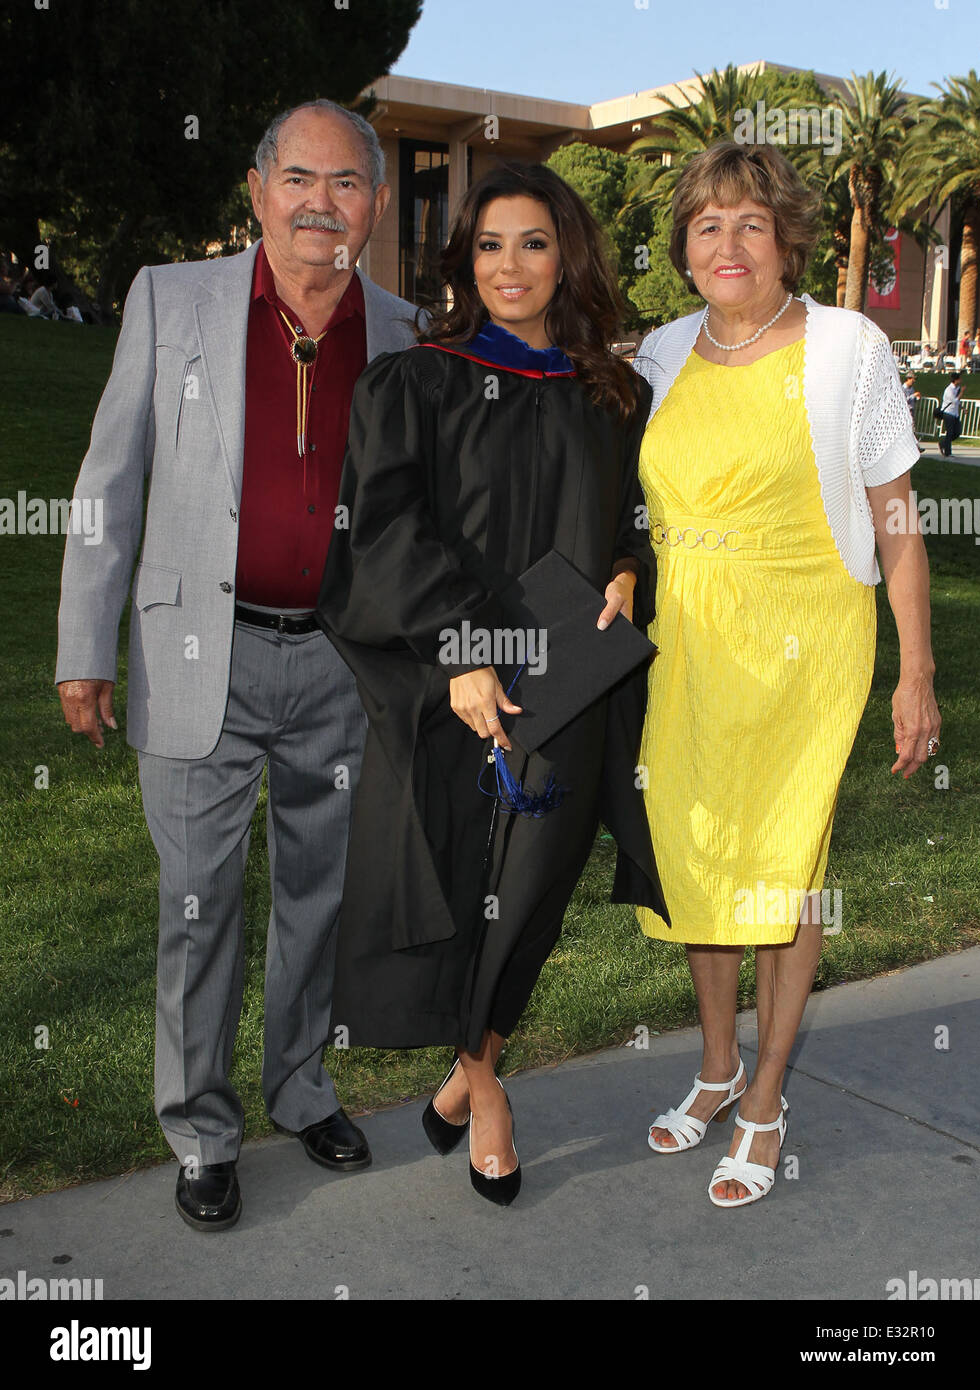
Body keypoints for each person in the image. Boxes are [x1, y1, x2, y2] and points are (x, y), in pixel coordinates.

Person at [55, 99, 422, 1231]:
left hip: (340, 668)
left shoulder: (403, 330)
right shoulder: (174, 300)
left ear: (373, 204)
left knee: (319, 896)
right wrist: (85, 642)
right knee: (198, 905)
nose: (322, 202)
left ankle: (302, 1087)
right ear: (259, 191)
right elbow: (109, 481)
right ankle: (202, 1129)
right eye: (300, 179)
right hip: (193, 657)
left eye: (347, 182)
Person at [316, 162, 666, 1207]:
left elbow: (625, 521)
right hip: (450, 681)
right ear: (464, 261)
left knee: (531, 892)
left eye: (534, 243)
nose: (510, 266)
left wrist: (627, 567)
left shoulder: (609, 391)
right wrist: (461, 650)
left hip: (565, 674)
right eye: (489, 245)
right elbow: (382, 528)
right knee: (454, 882)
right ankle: (489, 1091)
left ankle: (464, 1078)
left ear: (568, 257)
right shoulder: (416, 380)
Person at [632, 141, 941, 1208]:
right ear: (683, 247)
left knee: (780, 863)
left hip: (806, 644)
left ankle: (765, 1095)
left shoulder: (847, 348)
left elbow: (896, 520)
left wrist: (916, 675)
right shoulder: (658, 355)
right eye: (707, 224)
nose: (727, 243)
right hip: (685, 650)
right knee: (700, 856)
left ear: (786, 241)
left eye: (750, 224)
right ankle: (715, 1065)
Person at [939, 372, 962, 456]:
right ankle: (948, 452)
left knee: (957, 432)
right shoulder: (949, 390)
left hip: (955, 413)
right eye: (959, 379)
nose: (961, 380)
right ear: (956, 380)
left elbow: (958, 402)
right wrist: (961, 392)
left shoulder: (957, 388)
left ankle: (943, 443)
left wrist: (963, 408)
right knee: (950, 432)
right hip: (948, 413)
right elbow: (954, 400)